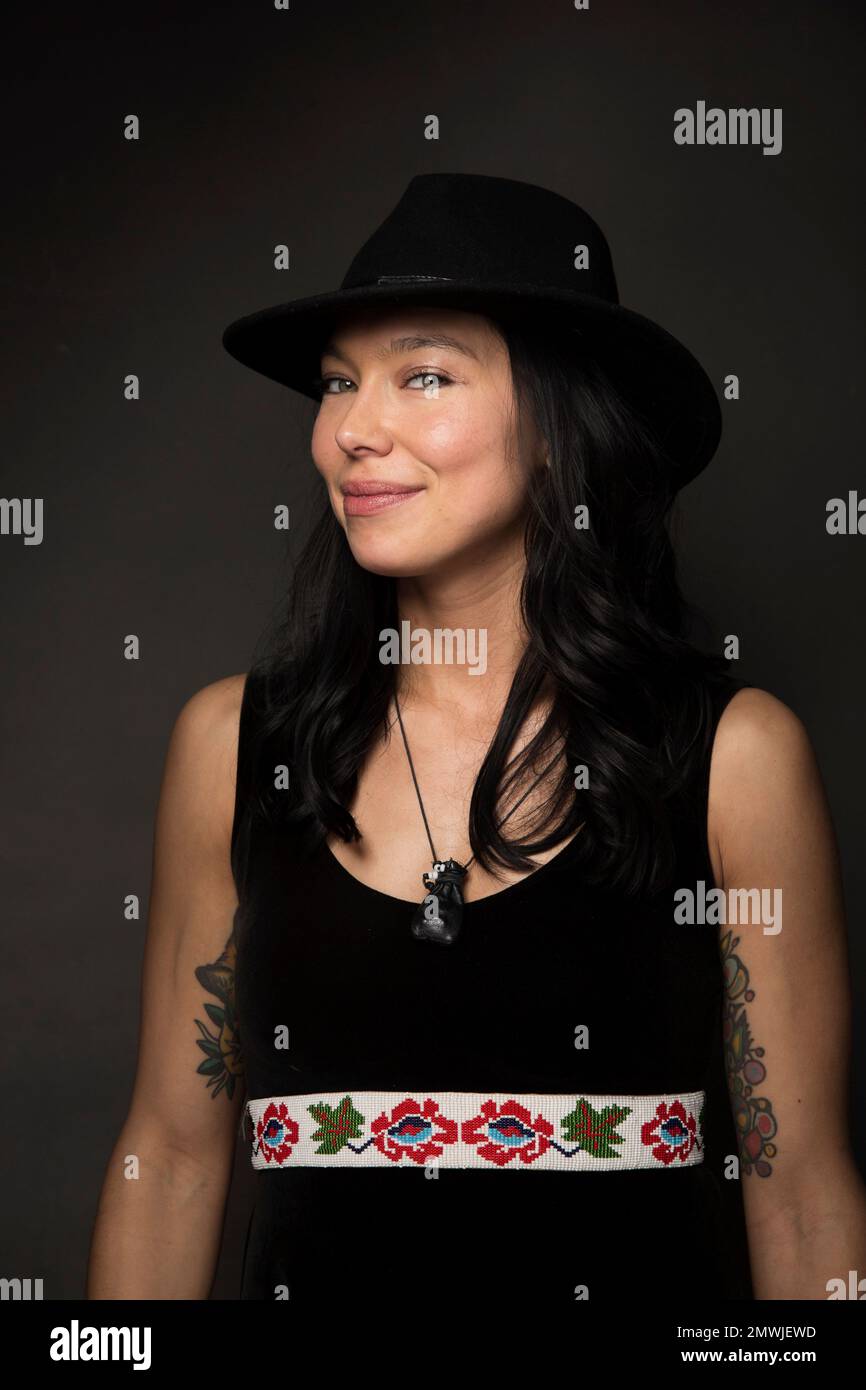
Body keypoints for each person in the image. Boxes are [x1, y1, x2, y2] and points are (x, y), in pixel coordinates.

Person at [87, 174, 866, 1306]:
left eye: (424, 375)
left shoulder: (733, 758)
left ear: (557, 423)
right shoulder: (232, 745)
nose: (352, 430)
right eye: (338, 385)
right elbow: (169, 1159)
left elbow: (797, 1195)